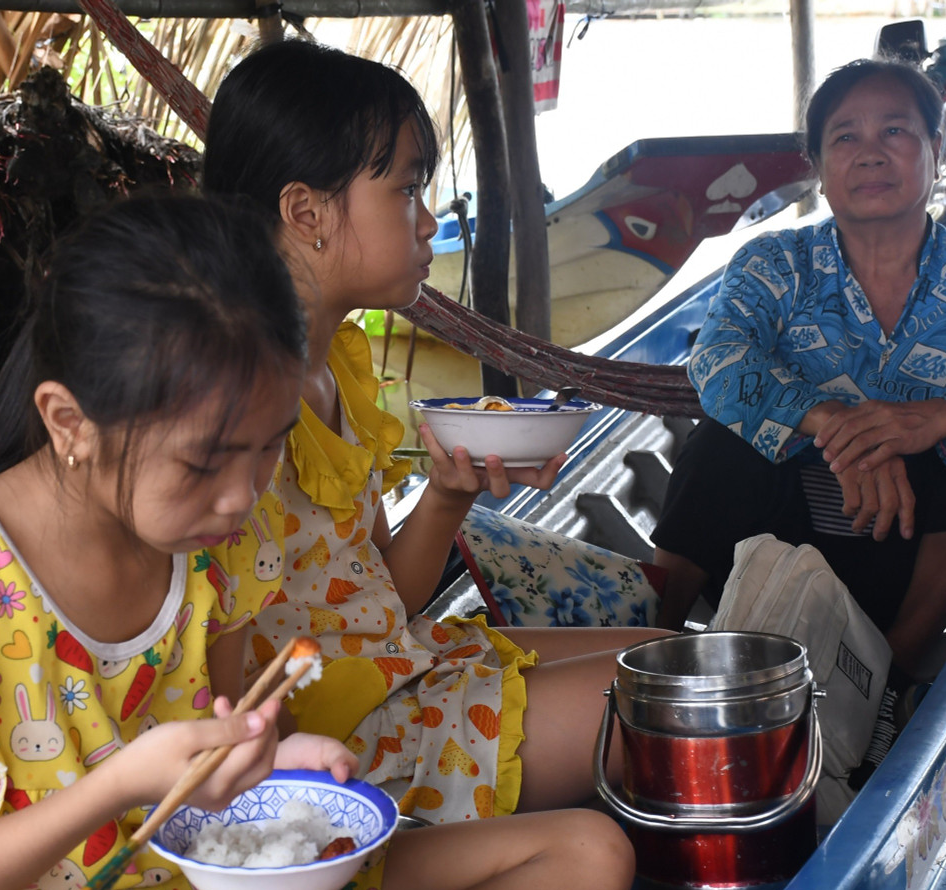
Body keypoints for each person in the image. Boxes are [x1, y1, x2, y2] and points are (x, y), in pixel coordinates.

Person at [0, 193, 752, 890]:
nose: (241, 498)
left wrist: (270, 765)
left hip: (196, 882)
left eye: (267, 447)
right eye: (205, 461)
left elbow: (209, 754)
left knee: (590, 861)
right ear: (69, 421)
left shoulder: (205, 546)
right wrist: (123, 781)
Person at [202, 42, 664, 826]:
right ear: (306, 212)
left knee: (664, 658)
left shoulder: (338, 365)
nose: (427, 222)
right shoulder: (233, 406)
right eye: (407, 190)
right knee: (669, 700)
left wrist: (449, 493)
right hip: (348, 738)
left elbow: (383, 596)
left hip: (402, 665)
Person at [650, 58, 946, 693]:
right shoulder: (775, 262)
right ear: (821, 171)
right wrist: (838, 428)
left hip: (929, 553)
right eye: (846, 137)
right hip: (782, 538)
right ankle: (650, 643)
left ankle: (893, 673)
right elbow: (717, 362)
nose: (871, 154)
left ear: (936, 151)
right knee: (720, 440)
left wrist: (931, 421)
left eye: (896, 132)